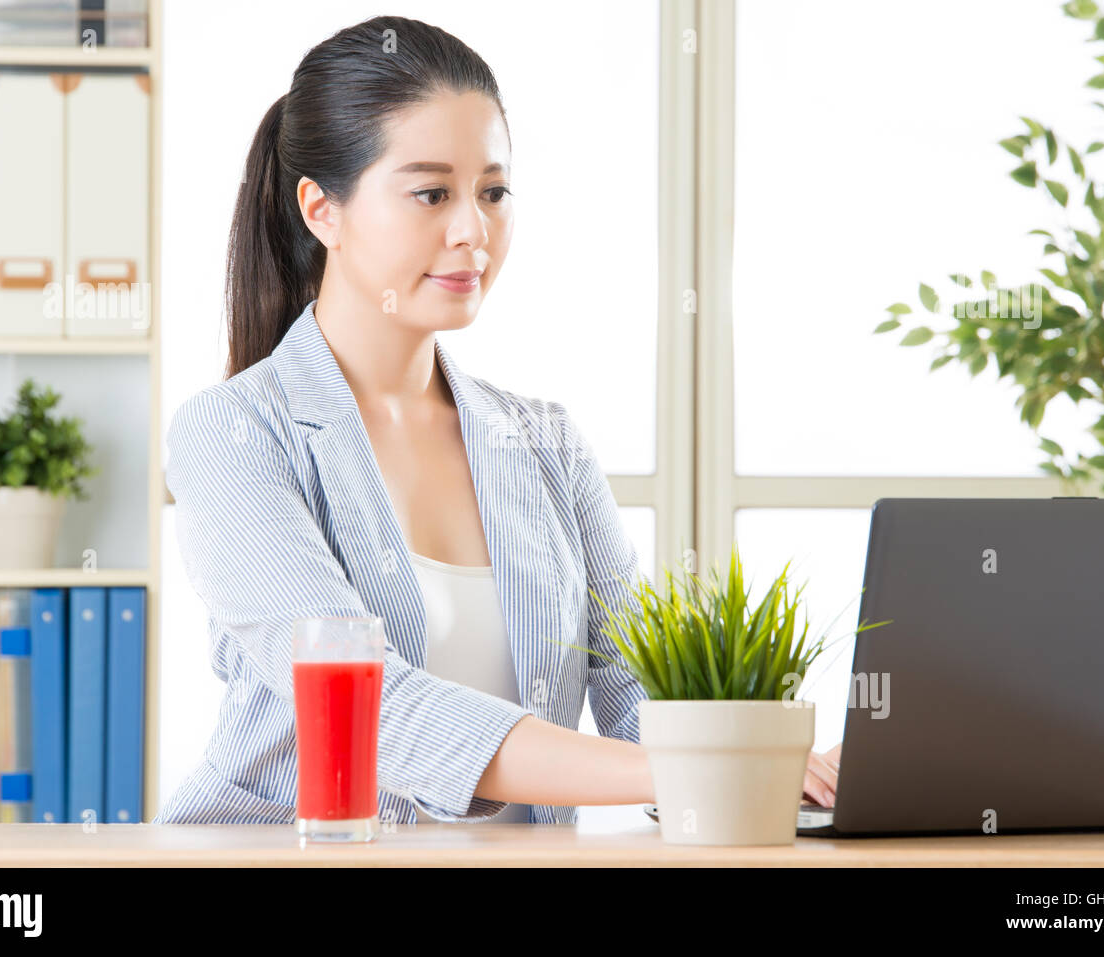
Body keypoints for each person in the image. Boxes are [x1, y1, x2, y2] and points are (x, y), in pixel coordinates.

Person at [155, 14, 839, 826]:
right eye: (431, 192)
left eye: (493, 191)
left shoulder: (545, 441)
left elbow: (640, 695)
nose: (472, 232)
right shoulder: (232, 434)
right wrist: (702, 766)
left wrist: (772, 760)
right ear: (321, 210)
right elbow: (380, 713)